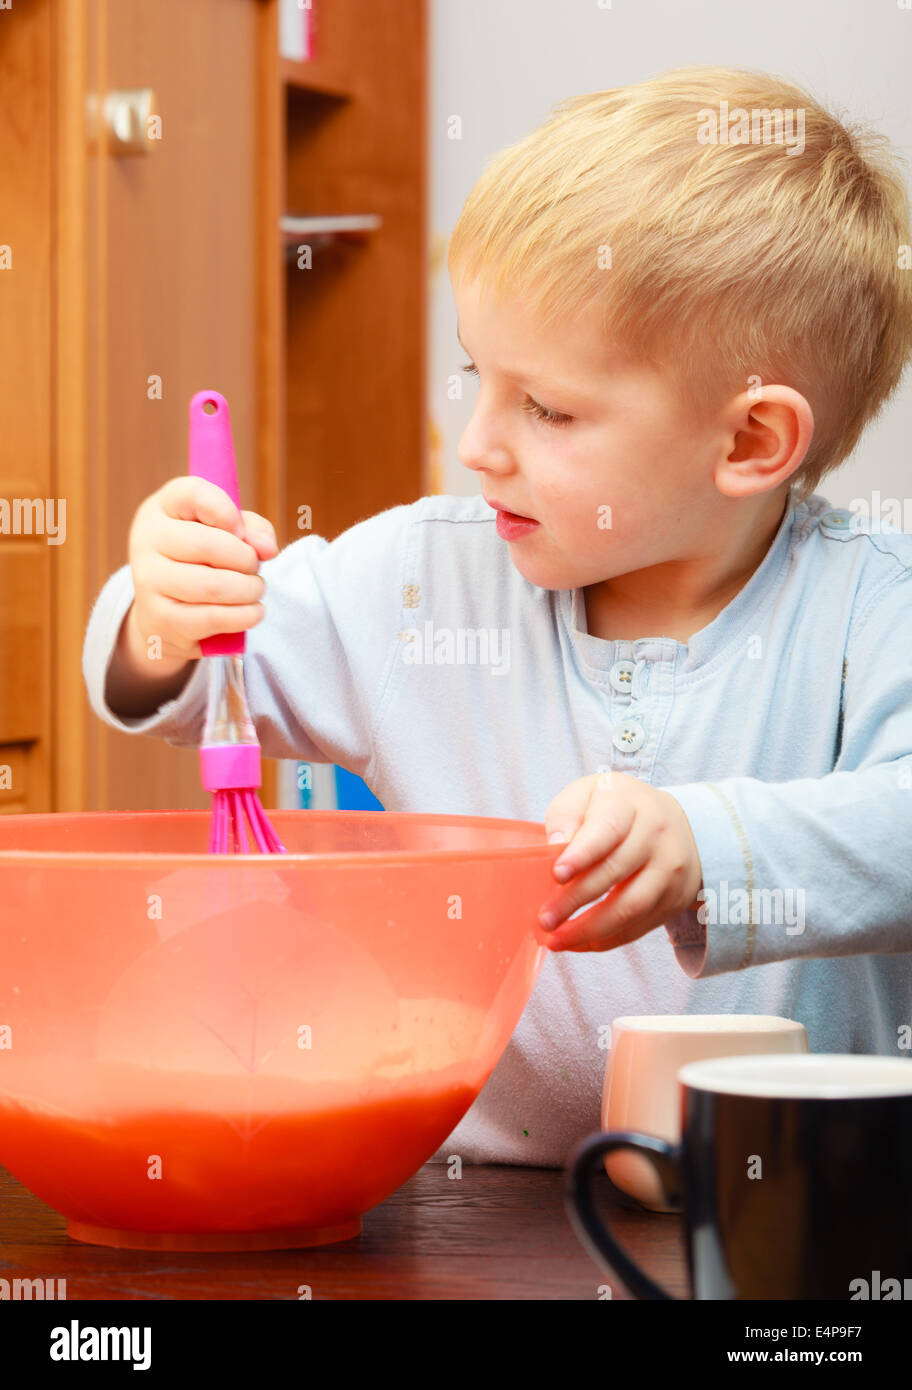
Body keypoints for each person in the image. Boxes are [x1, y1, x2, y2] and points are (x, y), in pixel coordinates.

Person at [83, 65, 912, 1166]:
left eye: (548, 408)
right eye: (480, 376)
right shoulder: (430, 578)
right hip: (475, 1205)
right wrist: (166, 607)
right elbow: (187, 684)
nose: (478, 442)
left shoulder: (874, 606)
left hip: (795, 1206)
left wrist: (708, 845)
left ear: (751, 442)